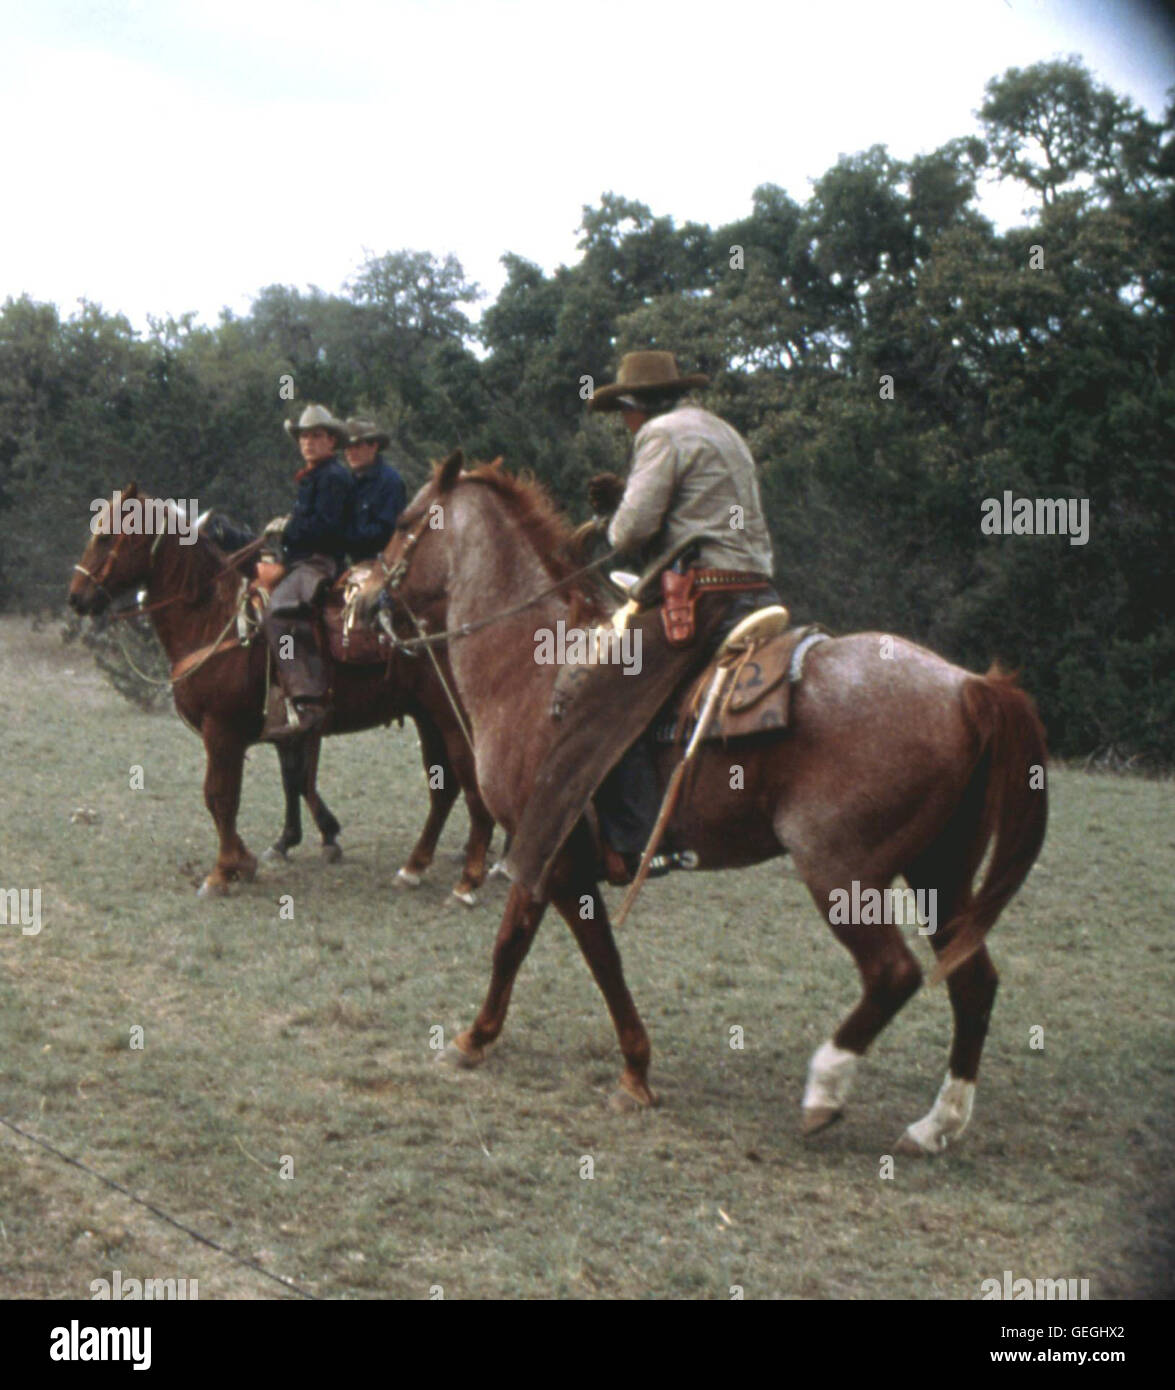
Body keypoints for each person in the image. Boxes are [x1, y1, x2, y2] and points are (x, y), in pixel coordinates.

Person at [506, 350, 781, 894]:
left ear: (634, 405)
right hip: (754, 587)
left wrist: (609, 522)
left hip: (703, 596)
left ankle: (633, 842)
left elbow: (632, 532)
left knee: (599, 691)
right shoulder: (721, 429)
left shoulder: (658, 435)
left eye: (623, 414)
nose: (625, 424)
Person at [261, 404, 354, 740]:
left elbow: (327, 529)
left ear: (331, 441)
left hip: (320, 562)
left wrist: (289, 529)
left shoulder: (334, 477)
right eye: (303, 436)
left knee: (278, 613)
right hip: (300, 559)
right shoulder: (315, 477)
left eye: (316, 436)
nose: (308, 442)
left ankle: (307, 698)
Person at [341, 417, 407, 560]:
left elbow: (385, 532)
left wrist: (343, 536)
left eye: (357, 446)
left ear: (374, 446)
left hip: (383, 562)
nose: (351, 452)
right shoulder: (347, 482)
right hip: (354, 563)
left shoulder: (390, 482)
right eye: (347, 447)